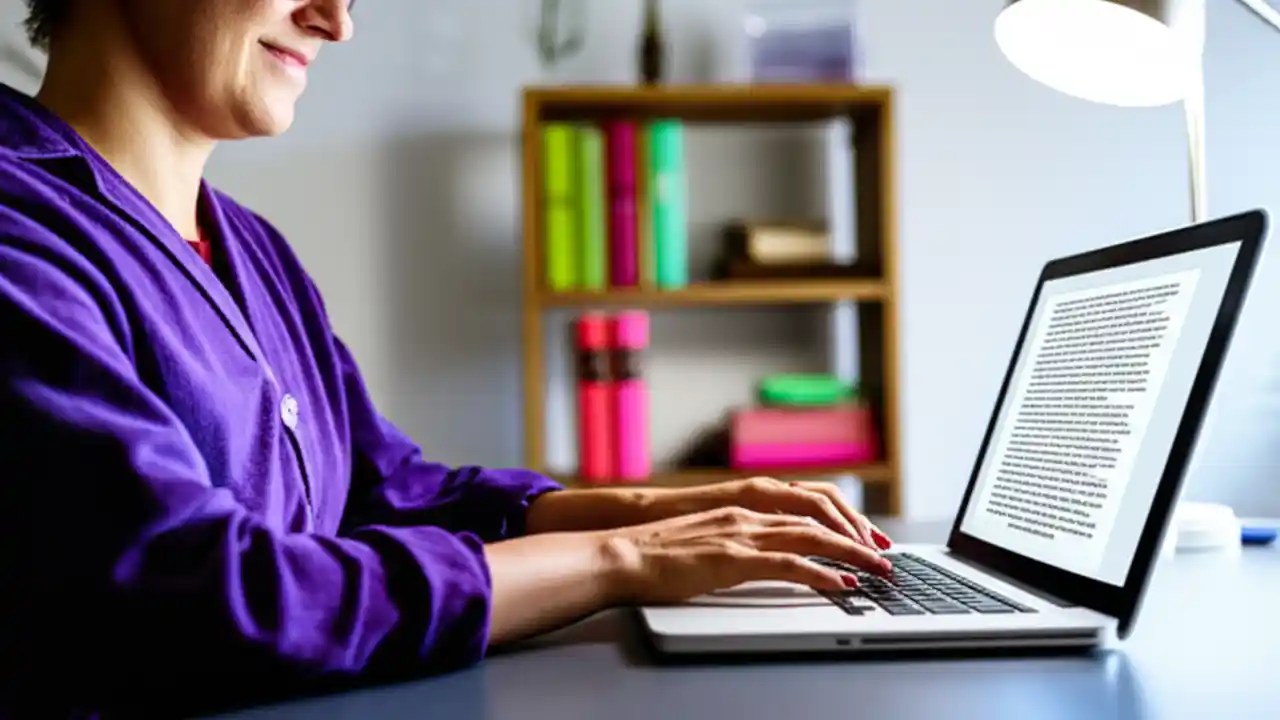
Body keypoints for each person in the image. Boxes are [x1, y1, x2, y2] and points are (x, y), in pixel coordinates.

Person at [0, 0, 894, 715]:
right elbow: (210, 595)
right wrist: (623, 557)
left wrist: (670, 509)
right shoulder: (20, 234)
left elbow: (386, 490)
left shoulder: (252, 249)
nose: (336, 18)